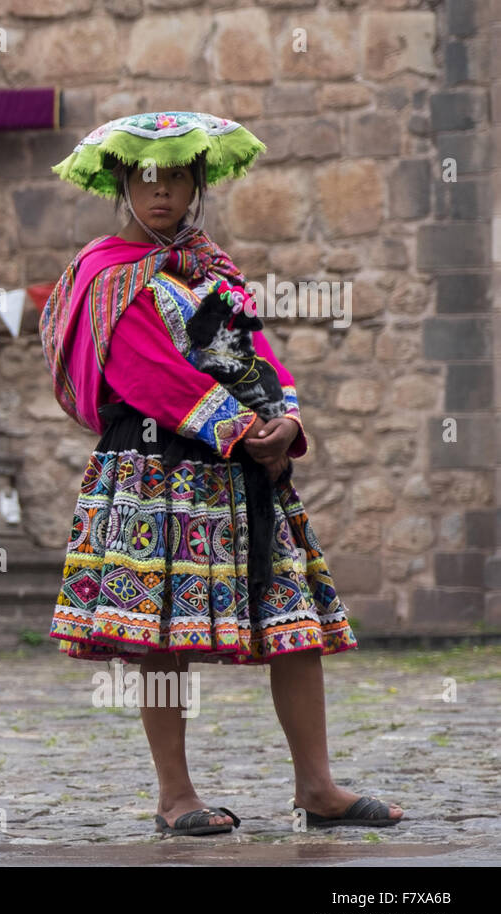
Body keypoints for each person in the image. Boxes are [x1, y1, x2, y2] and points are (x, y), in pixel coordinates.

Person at [39, 111, 403, 835]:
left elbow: (254, 354)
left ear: (197, 183)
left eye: (177, 178)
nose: (163, 195)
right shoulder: (108, 274)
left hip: (244, 475)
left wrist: (287, 421)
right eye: (148, 180)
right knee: (163, 635)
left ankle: (317, 787)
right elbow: (147, 372)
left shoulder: (213, 268)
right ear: (121, 185)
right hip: (156, 470)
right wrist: (243, 430)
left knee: (294, 621)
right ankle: (176, 796)